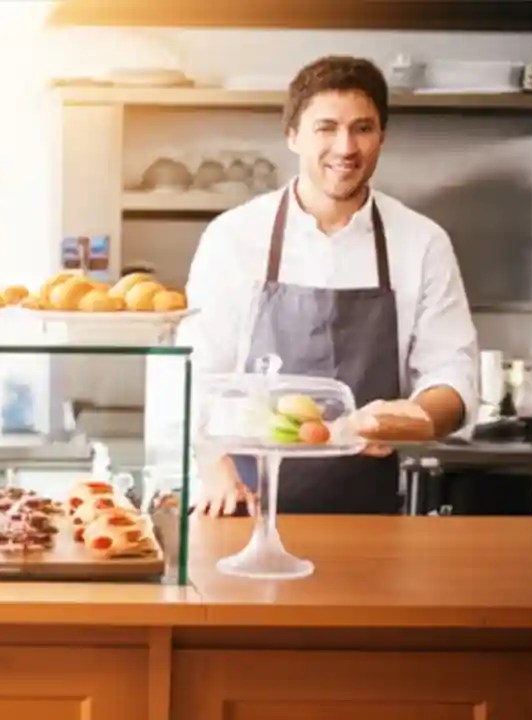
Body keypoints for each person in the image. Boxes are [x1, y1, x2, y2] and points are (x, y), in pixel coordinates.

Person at [178, 55, 479, 516]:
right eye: (326, 127)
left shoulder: (421, 242)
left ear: (382, 136)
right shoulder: (234, 236)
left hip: (366, 509)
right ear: (292, 135)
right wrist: (213, 464)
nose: (346, 147)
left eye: (363, 128)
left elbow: (451, 375)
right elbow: (197, 373)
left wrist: (410, 420)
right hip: (242, 500)